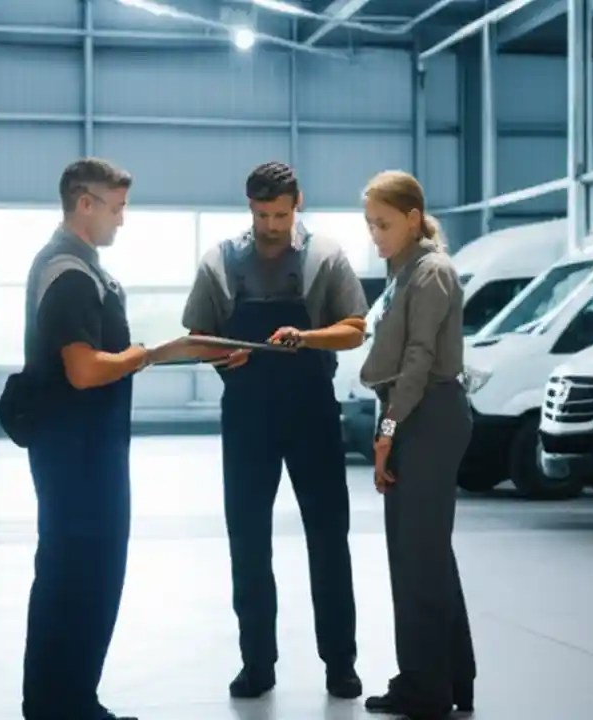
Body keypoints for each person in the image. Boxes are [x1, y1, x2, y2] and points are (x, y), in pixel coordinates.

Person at [15, 158, 230, 720]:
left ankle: (68, 700)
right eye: (117, 207)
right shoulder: (69, 274)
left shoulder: (86, 271)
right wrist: (146, 356)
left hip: (88, 449)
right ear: (85, 204)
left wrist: (189, 348)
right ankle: (58, 705)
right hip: (76, 454)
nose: (122, 221)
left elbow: (116, 358)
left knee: (84, 574)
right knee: (77, 574)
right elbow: (85, 370)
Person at [181, 161, 369, 699]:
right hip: (246, 416)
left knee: (329, 539)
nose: (271, 226)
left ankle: (340, 663)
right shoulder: (219, 260)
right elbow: (198, 336)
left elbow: (354, 330)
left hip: (312, 412)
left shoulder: (326, 256)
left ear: (298, 203)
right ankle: (256, 665)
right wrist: (221, 356)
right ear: (249, 207)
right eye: (262, 214)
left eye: (281, 214)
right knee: (247, 540)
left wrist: (307, 337)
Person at [358, 170, 476, 720]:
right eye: (369, 226)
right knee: (423, 555)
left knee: (418, 558)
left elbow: (418, 361)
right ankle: (451, 676)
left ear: (412, 218)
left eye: (383, 224)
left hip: (427, 415)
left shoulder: (430, 273)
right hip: (413, 414)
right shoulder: (404, 272)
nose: (375, 235)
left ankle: (426, 691)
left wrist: (386, 436)